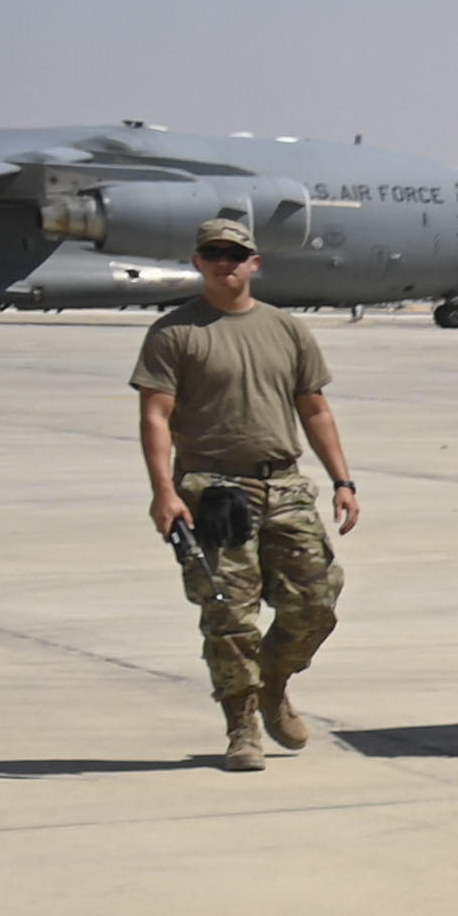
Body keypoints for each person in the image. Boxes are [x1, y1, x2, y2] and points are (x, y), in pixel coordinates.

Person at [133, 217, 360, 770]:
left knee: (315, 603)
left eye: (235, 254)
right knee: (227, 613)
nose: (224, 262)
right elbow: (155, 416)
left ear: (254, 263)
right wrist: (164, 493)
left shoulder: (286, 330)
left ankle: (274, 680)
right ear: (198, 262)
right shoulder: (175, 332)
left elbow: (315, 410)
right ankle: (243, 725)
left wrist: (343, 481)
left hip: (283, 482)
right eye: (213, 253)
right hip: (213, 488)